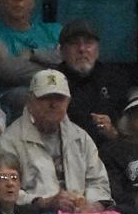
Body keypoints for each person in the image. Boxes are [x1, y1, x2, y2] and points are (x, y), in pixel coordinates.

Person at [0, 69, 111, 214]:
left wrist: (92, 206)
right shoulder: (9, 140)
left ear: (68, 102)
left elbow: (98, 182)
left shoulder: (81, 137)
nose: (53, 104)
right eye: (45, 98)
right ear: (30, 101)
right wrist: (43, 203)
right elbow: (1, 188)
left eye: (59, 98)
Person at [55, 21, 124, 149]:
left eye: (88, 43)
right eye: (74, 43)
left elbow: (128, 129)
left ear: (97, 49)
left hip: (109, 150)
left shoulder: (113, 78)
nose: (82, 49)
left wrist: (113, 132)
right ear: (62, 51)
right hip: (65, 149)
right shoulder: (54, 80)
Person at [0, 0, 61, 90]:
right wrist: (56, 71)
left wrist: (33, 54)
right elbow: (9, 71)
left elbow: (69, 58)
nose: (18, 1)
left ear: (33, 2)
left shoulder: (55, 31)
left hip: (60, 95)